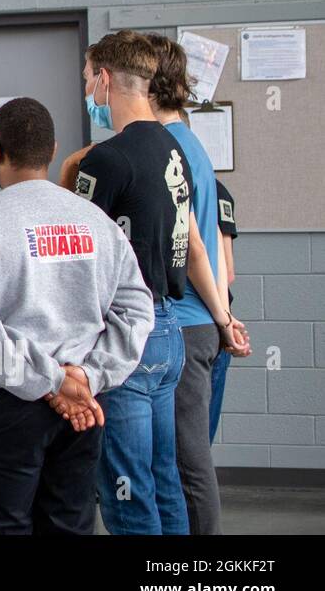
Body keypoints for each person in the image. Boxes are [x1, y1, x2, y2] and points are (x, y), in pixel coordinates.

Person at [0, 98, 154, 535]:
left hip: (3, 410)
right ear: (53, 150)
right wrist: (86, 379)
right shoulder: (98, 223)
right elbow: (136, 309)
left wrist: (55, 384)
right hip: (81, 414)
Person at [59, 30, 194, 535]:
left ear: (105, 79)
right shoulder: (172, 146)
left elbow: (74, 252)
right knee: (162, 483)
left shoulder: (108, 158)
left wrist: (70, 173)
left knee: (126, 493)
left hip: (124, 338)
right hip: (167, 329)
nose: (89, 91)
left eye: (89, 79)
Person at [145, 35, 250, 534]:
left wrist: (223, 318)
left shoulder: (171, 148)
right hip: (196, 322)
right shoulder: (189, 144)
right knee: (178, 463)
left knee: (189, 466)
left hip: (187, 325)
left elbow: (196, 249)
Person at [210, 180, 250, 441]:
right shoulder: (214, 188)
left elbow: (225, 272)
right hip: (210, 326)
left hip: (196, 323)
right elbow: (228, 271)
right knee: (196, 444)